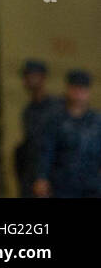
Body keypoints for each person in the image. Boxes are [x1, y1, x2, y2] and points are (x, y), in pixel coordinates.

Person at [33, 69, 101, 198]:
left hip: (91, 183)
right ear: (68, 89)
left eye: (83, 90)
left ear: (88, 93)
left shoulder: (97, 121)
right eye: (75, 89)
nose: (78, 94)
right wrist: (41, 178)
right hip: (63, 182)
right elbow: (46, 151)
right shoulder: (55, 120)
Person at [16, 59, 63, 197]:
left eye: (31, 75)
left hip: (55, 175)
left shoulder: (57, 107)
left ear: (43, 78)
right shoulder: (28, 111)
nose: (27, 80)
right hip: (32, 174)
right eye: (25, 76)